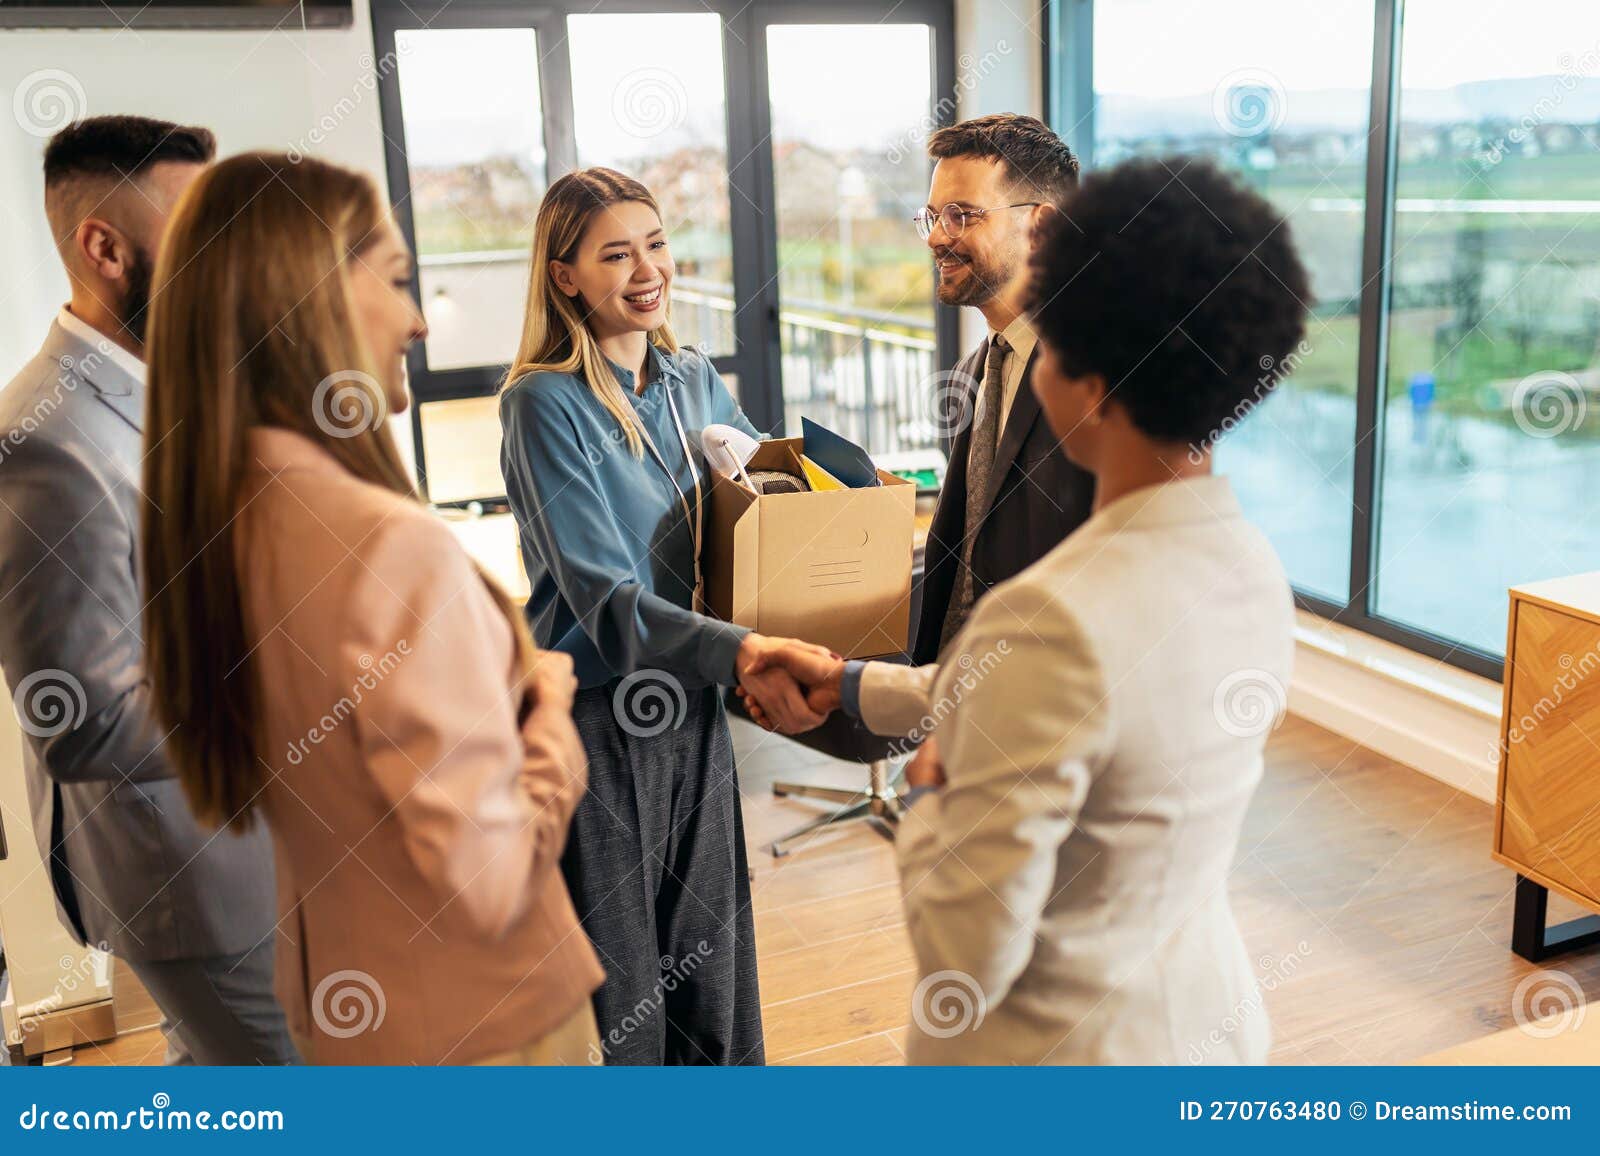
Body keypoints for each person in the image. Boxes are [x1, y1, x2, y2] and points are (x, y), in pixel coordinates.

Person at [744, 156, 1311, 1064]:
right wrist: (853, 685)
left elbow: (966, 951)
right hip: (1206, 1025)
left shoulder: (1054, 615)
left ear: (1079, 378)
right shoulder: (1250, 567)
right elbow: (1058, 711)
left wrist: (933, 788)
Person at [140, 151, 604, 1066]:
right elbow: (493, 876)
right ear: (308, 300)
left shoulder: (217, 527)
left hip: (347, 1018)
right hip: (488, 1030)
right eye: (396, 280)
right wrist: (547, 711)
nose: (420, 320)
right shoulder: (388, 547)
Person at [499, 167, 828, 1065]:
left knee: (714, 974)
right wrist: (748, 649)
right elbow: (607, 604)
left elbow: (754, 521)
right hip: (599, 724)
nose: (646, 270)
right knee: (626, 1001)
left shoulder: (693, 383)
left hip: (690, 709)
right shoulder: (542, 404)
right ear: (564, 275)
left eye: (655, 244)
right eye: (615, 253)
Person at [0, 116, 294, 1065]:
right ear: (105, 248)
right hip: (195, 878)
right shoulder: (45, 439)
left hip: (253, 840)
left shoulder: (173, 382)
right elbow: (80, 716)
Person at [912, 114, 1093, 663]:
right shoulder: (975, 370)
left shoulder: (1104, 375)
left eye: (962, 215)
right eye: (933, 215)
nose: (938, 236)